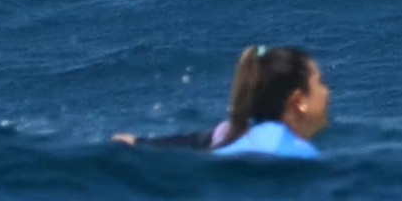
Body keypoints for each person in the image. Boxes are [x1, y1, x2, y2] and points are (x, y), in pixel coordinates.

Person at [112, 44, 331, 159]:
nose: (327, 92)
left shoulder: (229, 134)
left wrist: (138, 143)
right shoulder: (295, 152)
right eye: (320, 82)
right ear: (298, 100)